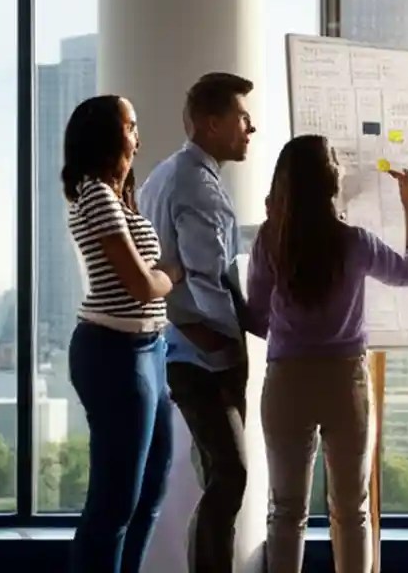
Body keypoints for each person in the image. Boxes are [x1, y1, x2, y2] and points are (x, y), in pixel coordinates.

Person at [249, 135, 408, 573]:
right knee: (351, 510)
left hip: (286, 381)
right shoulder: (355, 242)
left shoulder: (271, 242)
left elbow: (254, 318)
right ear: (332, 183)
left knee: (286, 511)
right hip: (346, 382)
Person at [139, 72, 257, 573]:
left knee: (219, 479)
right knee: (230, 476)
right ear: (212, 124)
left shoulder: (168, 174)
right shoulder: (197, 185)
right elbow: (203, 280)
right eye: (243, 117)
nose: (251, 127)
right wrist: (226, 348)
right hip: (204, 355)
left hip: (184, 350)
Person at [64, 94, 183, 573]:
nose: (139, 135)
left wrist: (161, 278)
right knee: (114, 503)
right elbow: (140, 285)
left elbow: (145, 284)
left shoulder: (118, 198)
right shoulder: (94, 193)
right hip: (114, 354)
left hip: (149, 349)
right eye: (131, 125)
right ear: (108, 135)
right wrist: (173, 272)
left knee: (151, 490)